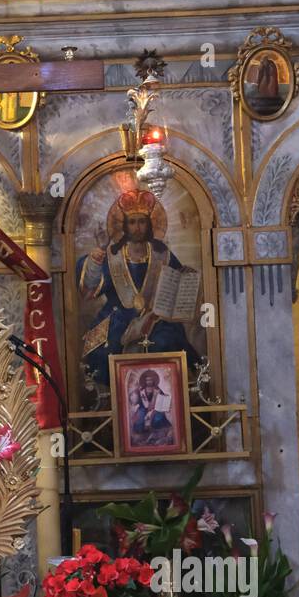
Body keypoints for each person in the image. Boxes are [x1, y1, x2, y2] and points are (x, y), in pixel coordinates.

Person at [77, 187, 200, 383]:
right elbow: (90, 289)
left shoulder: (162, 254)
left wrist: (184, 275)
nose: (137, 227)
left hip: (156, 320)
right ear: (125, 226)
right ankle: (113, 405)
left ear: (150, 225)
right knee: (103, 354)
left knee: (167, 344)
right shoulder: (112, 256)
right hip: (117, 320)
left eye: (142, 222)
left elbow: (175, 283)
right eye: (132, 222)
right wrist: (96, 258)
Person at [128, 367, 174, 446]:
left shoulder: (157, 389)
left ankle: (157, 435)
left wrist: (164, 398)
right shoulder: (141, 390)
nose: (149, 381)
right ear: (145, 381)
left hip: (155, 409)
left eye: (150, 380)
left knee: (158, 418)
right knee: (140, 418)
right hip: (143, 408)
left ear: (154, 381)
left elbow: (164, 398)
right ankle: (141, 436)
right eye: (147, 380)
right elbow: (134, 398)